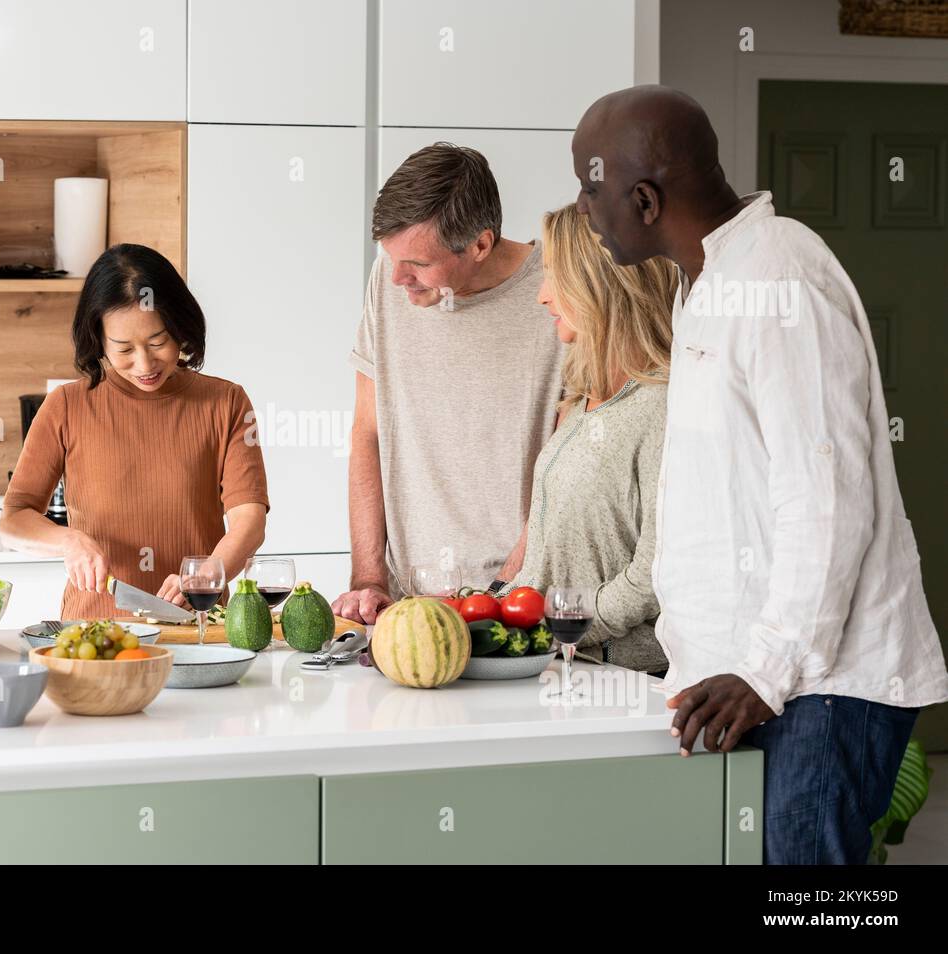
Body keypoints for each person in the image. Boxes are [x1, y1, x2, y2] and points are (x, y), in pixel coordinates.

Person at [571, 85, 948, 863]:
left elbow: (828, 500)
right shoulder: (708, 283)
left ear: (643, 200)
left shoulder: (778, 279)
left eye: (591, 187)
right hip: (759, 686)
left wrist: (765, 671)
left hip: (818, 690)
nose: (584, 209)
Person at [331, 143, 564, 624]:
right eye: (389, 258)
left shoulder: (559, 293)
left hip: (517, 606)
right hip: (408, 606)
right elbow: (367, 435)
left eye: (417, 263)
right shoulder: (391, 279)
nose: (398, 278)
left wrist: (502, 593)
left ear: (480, 244)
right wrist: (369, 579)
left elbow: (564, 472)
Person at [0, 243, 269, 618]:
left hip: (198, 628)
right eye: (124, 349)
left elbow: (249, 519)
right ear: (98, 340)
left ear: (181, 327)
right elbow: (14, 518)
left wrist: (210, 573)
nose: (145, 364)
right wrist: (68, 541)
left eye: (158, 342)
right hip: (95, 635)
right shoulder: (66, 405)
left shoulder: (226, 402)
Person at [503, 204, 677, 675]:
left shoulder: (664, 405)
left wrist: (561, 624)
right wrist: (494, 605)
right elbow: (545, 554)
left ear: (599, 284)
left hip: (628, 679)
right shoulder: (580, 401)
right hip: (562, 664)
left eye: (555, 276)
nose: (542, 296)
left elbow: (654, 576)